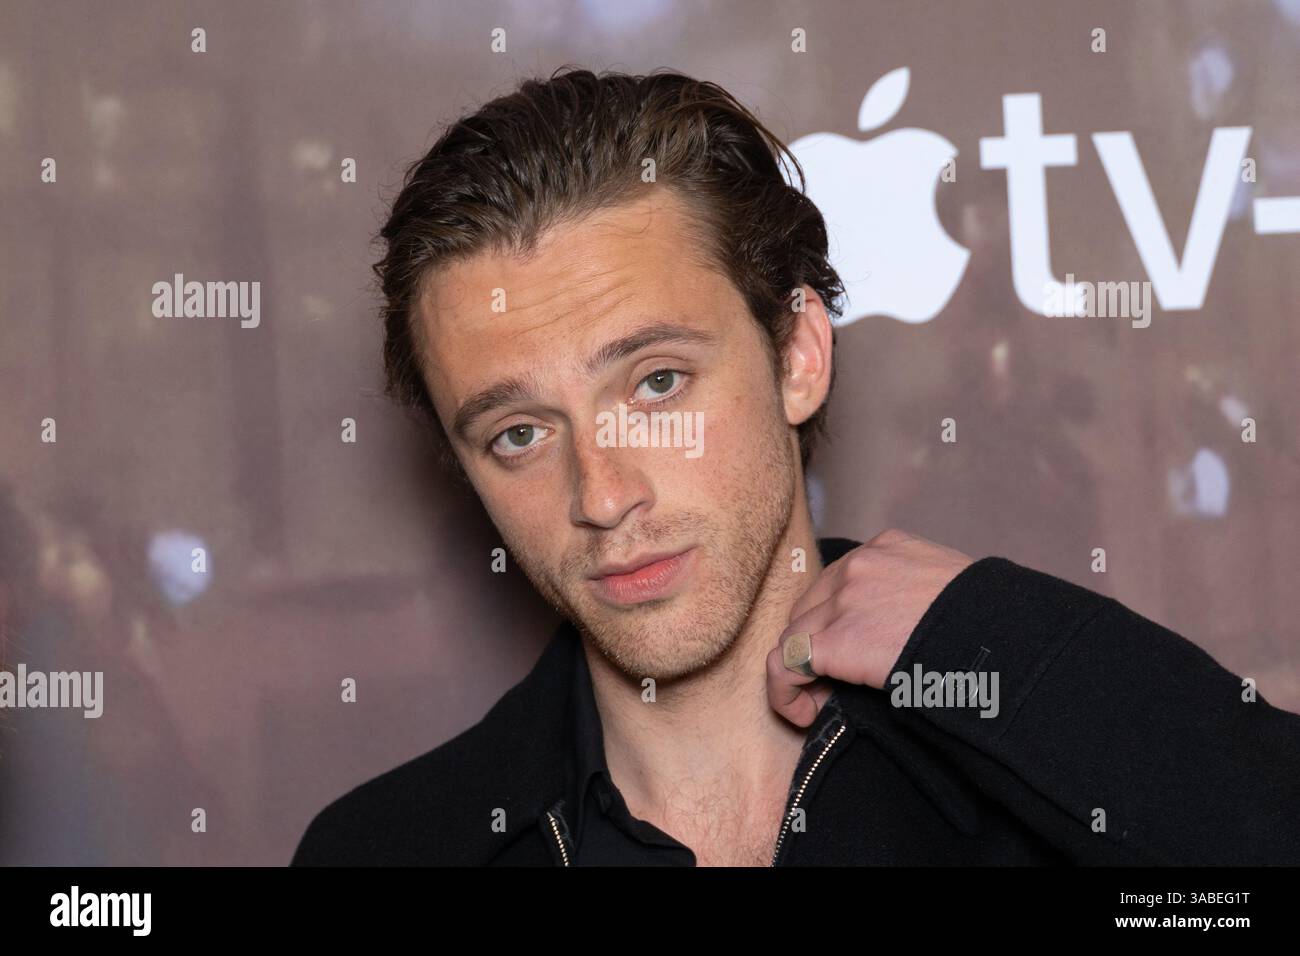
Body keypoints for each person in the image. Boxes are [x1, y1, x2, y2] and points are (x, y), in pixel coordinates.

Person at [291, 67, 1300, 866]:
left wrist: (1001, 644)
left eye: (655, 383)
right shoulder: (387, 848)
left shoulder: (1037, 775)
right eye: (518, 433)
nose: (600, 495)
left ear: (797, 355)